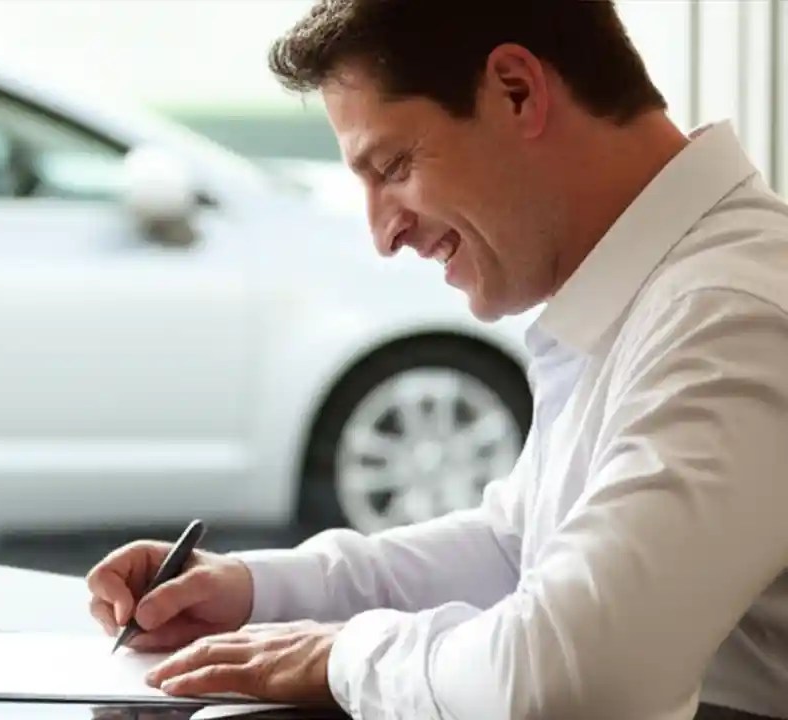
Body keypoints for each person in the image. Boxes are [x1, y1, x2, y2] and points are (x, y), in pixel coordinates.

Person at [85, 1, 788, 718]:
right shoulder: (662, 295)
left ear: (516, 91)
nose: (383, 234)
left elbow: (572, 681)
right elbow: (518, 550)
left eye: (393, 165)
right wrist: (255, 591)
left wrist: (341, 655)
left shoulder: (733, 314)